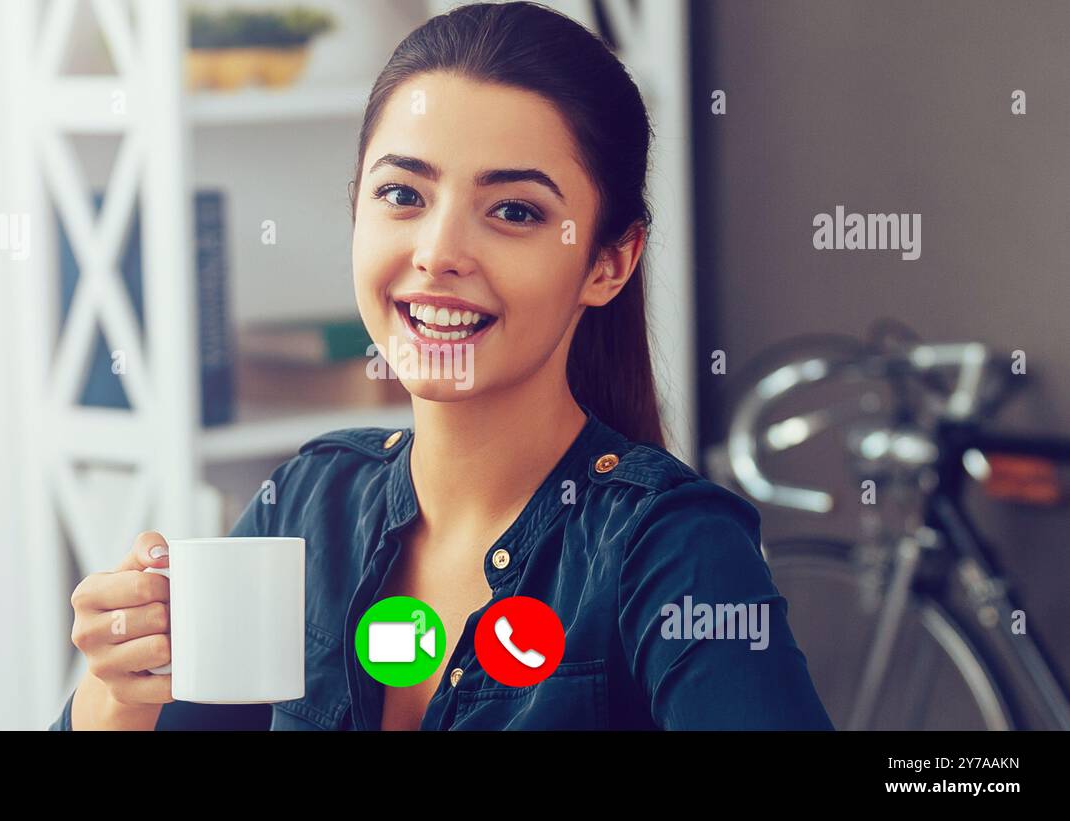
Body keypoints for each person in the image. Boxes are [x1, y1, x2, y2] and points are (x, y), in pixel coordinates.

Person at [50, 1, 834, 731]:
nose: (439, 254)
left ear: (610, 262)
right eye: (403, 194)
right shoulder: (308, 503)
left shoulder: (673, 549)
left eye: (515, 211)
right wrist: (118, 687)